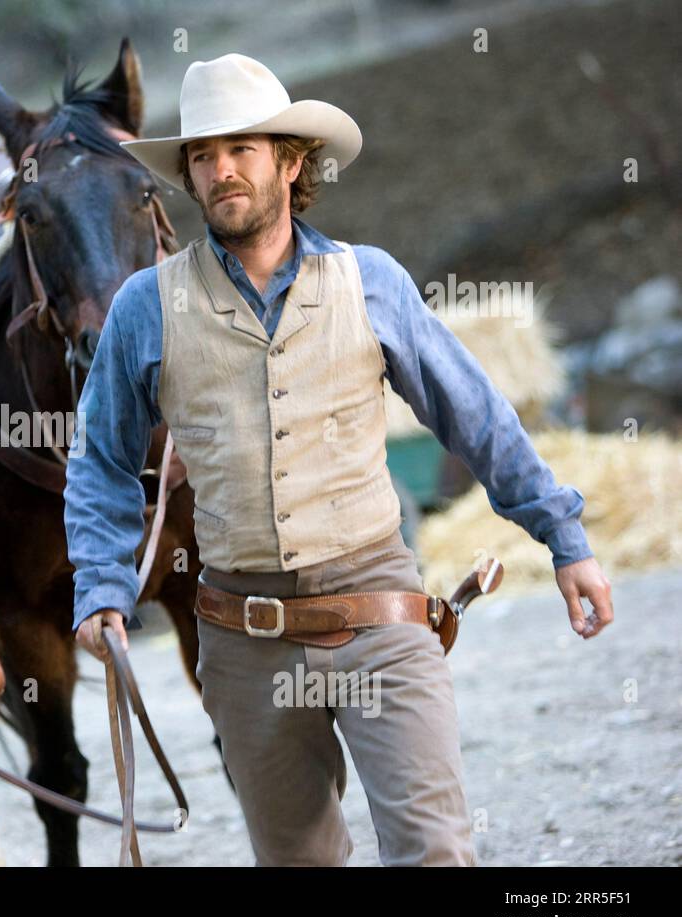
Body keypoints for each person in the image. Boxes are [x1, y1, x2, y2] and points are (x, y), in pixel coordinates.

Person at [64, 54, 613, 865]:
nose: (222, 172)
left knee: (434, 852)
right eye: (205, 157)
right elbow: (102, 461)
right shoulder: (146, 309)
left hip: (380, 617)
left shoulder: (371, 282)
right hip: (241, 640)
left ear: (291, 160)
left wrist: (565, 538)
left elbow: (475, 417)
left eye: (243, 149)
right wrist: (100, 585)